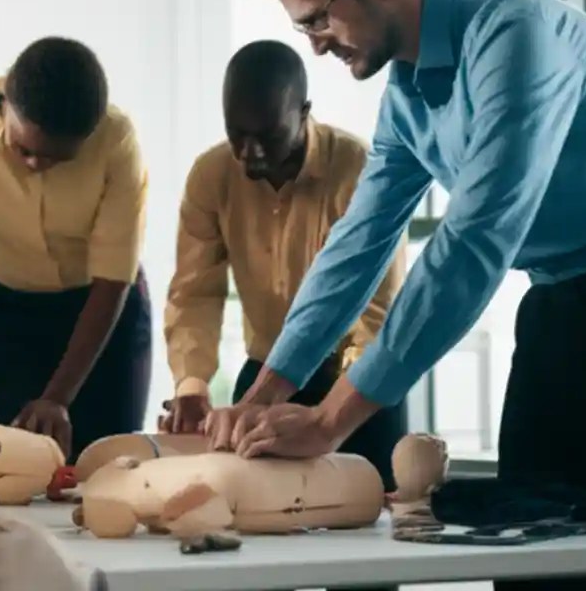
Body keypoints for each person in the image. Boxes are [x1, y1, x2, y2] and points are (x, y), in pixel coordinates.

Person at [205, 0, 586, 591]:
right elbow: (357, 246)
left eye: (318, 21)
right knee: (529, 564)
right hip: (561, 307)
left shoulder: (518, 36)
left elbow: (474, 241)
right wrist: (267, 394)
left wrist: (331, 420)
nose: (315, 47)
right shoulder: (406, 97)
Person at [160, 40, 407, 495]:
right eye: (237, 134)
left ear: (304, 112)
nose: (250, 152)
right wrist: (192, 385)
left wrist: (339, 405)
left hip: (353, 380)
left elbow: (377, 301)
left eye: (267, 136)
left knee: (366, 522)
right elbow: (195, 292)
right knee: (251, 514)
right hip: (264, 371)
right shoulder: (211, 176)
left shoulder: (356, 168)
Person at [0, 37, 150, 462]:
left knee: (104, 464)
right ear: (6, 103)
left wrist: (59, 397)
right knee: (1, 465)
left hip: (101, 312)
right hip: (6, 308)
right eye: (23, 149)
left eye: (58, 159)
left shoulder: (117, 139)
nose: (35, 166)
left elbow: (114, 278)